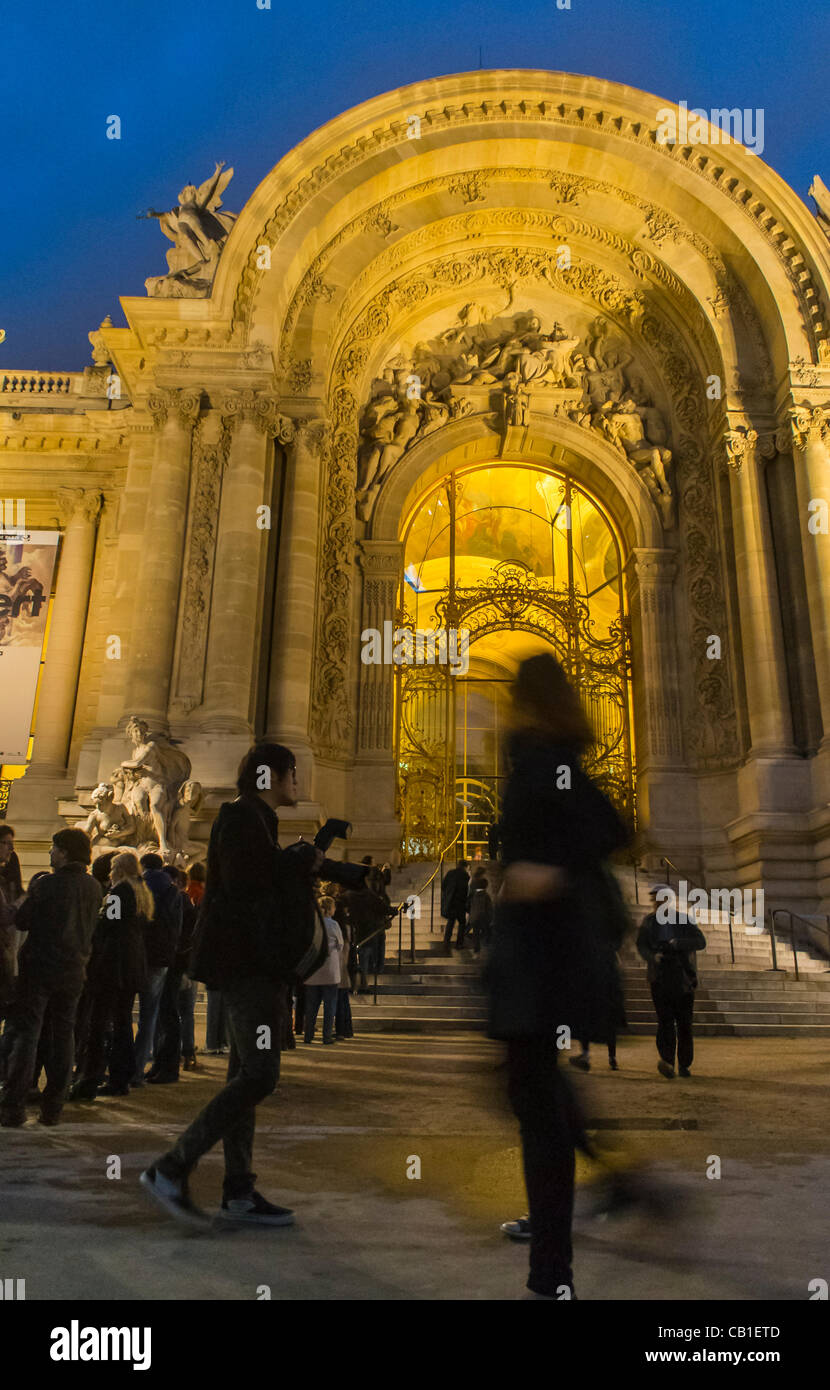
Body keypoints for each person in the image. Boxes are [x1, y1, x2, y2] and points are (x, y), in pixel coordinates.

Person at [484, 653, 630, 1299]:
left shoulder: (549, 758)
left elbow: (609, 826)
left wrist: (547, 872)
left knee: (532, 1102)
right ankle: (606, 1196)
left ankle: (552, 1271)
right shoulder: (541, 754)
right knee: (532, 1095)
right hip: (540, 958)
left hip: (541, 959)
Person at [139, 743, 324, 1228]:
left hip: (251, 963)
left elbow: (257, 880)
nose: (297, 781)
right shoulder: (243, 817)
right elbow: (248, 887)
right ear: (271, 777)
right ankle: (171, 1168)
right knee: (260, 1074)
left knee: (244, 1072)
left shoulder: (256, 819)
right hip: (247, 965)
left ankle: (238, 1191)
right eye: (292, 773)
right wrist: (300, 861)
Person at [0, 828, 102, 1127]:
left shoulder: (48, 884)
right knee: (63, 1036)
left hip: (40, 968)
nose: (50, 853)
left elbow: (23, 920)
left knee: (27, 1035)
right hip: (74, 970)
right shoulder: (94, 887)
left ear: (66, 852)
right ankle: (52, 1108)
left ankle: (13, 1107)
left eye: (54, 848)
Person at [70, 852, 150, 1100]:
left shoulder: (119, 893)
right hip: (131, 966)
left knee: (102, 1022)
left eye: (114, 867)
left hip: (113, 966)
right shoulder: (140, 893)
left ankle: (96, 1077)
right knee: (124, 1023)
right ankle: (122, 1076)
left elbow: (109, 923)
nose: (109, 872)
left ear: (121, 869)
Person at [637, 883, 707, 1078]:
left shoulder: (683, 920)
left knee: (684, 1024)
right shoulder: (649, 922)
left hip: (682, 977)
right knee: (665, 1022)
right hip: (659, 977)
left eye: (658, 898)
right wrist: (653, 956)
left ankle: (684, 1064)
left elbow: (700, 942)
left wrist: (677, 944)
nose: (655, 903)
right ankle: (667, 1061)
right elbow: (641, 945)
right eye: (654, 899)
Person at [132, 852, 182, 1085]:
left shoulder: (140, 888)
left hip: (143, 956)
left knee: (144, 1014)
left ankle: (137, 1067)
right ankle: (154, 1064)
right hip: (165, 958)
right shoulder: (174, 892)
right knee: (155, 1014)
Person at [146, 865, 193, 1083]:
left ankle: (169, 1066)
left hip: (174, 963)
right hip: (174, 962)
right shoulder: (180, 900)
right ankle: (162, 1063)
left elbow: (182, 935)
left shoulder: (179, 900)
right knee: (167, 1016)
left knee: (169, 1015)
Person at [303, 896, 343, 1044]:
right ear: (330, 909)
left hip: (313, 971)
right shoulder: (334, 925)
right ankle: (326, 1036)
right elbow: (341, 945)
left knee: (311, 1006)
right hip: (330, 970)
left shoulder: (312, 924)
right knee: (329, 1005)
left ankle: (308, 1035)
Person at [441, 859, 470, 952]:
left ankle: (446, 943)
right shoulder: (465, 875)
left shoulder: (450, 873)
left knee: (450, 922)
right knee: (462, 923)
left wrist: (447, 895)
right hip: (460, 902)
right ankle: (459, 944)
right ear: (465, 867)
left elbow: (443, 886)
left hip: (451, 902)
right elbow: (466, 890)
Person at [467, 866, 493, 954]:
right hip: (483, 916)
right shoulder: (486, 896)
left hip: (474, 916)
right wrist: (490, 917)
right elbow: (489, 908)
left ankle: (476, 949)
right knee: (487, 931)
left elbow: (469, 904)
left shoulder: (473, 895)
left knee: (476, 933)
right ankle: (487, 947)